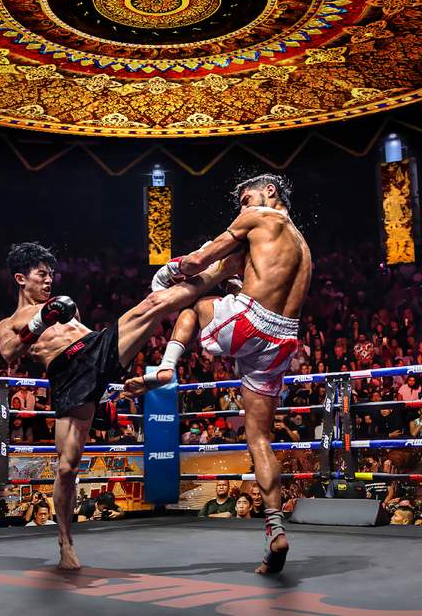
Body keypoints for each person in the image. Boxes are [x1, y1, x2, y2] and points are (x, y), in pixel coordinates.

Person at [0, 240, 236, 570]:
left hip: (96, 348)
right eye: (42, 275)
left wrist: (103, 388)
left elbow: (85, 344)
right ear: (21, 278)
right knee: (67, 467)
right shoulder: (9, 322)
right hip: (66, 378)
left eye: (52, 274)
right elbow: (9, 353)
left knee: (152, 304)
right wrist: (39, 322)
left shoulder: (64, 305)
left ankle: (224, 266)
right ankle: (65, 542)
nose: (50, 281)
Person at [122, 174, 312, 574]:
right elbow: (262, 279)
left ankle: (166, 369)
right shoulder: (302, 246)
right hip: (285, 340)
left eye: (246, 198)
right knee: (259, 437)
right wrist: (236, 278)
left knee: (193, 307)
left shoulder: (259, 218)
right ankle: (275, 528)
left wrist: (170, 269)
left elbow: (197, 261)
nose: (243, 206)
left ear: (270, 192)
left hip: (253, 322)